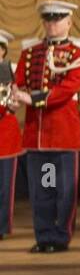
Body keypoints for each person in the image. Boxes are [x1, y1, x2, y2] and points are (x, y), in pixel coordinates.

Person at [10, 0, 80, 252]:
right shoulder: (30, 53)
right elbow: (21, 82)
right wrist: (17, 92)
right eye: (48, 19)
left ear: (69, 22)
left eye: (57, 19)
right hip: (37, 135)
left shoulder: (79, 55)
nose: (52, 24)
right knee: (42, 190)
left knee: (64, 191)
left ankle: (61, 237)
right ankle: (44, 236)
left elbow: (67, 89)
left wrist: (32, 98)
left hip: (63, 134)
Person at [0, 28, 20, 239]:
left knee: (5, 186)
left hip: (5, 133)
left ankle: (2, 226)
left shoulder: (11, 70)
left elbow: (18, 97)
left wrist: (14, 103)